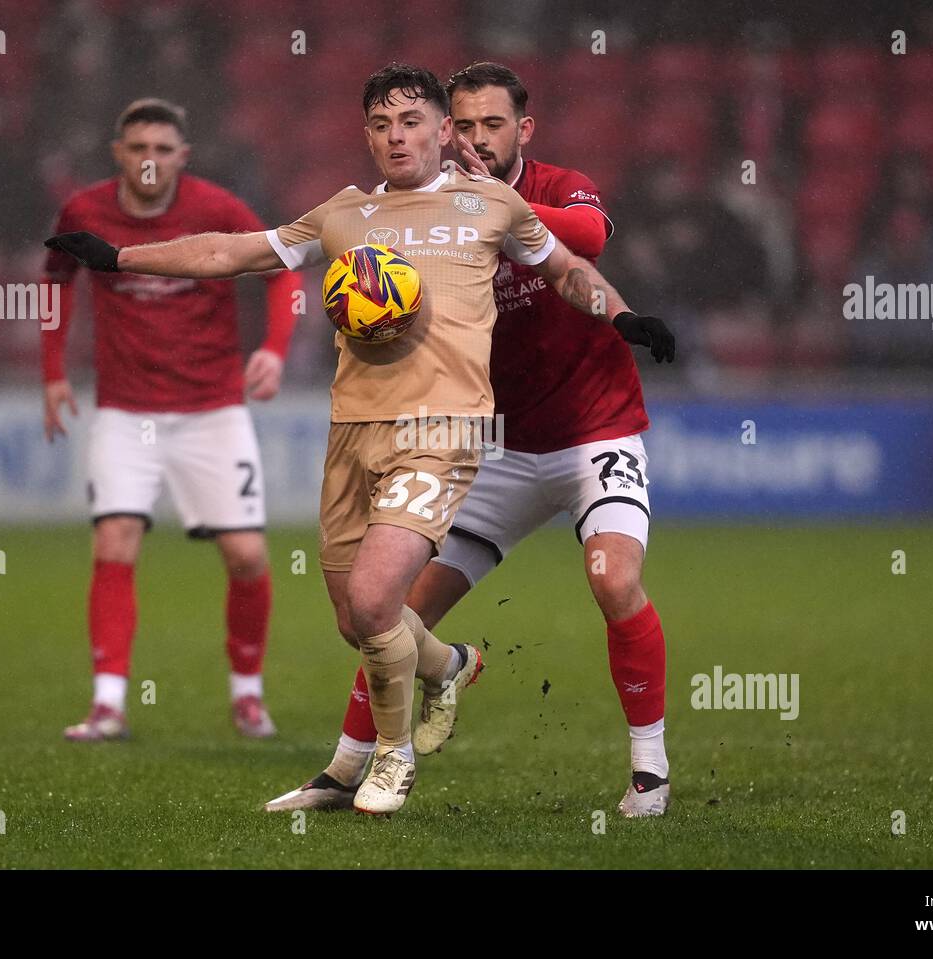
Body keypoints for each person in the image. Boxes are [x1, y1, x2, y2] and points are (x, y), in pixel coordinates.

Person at [45, 65, 673, 814]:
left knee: (379, 599)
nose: (396, 136)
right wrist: (121, 257)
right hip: (355, 433)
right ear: (367, 136)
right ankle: (443, 672)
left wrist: (623, 318)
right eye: (381, 125)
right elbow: (232, 253)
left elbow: (573, 264)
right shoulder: (343, 215)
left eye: (412, 121)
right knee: (361, 618)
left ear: (441, 132)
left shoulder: (492, 204)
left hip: (447, 431)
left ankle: (395, 758)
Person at [265, 62, 672, 818]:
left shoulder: (549, 189)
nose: (481, 137)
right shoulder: (429, 207)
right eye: (469, 124)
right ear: (450, 127)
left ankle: (650, 770)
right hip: (494, 445)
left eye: (496, 124)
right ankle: (349, 764)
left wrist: (497, 203)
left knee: (614, 580)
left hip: (595, 431)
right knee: (386, 604)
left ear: (524, 129)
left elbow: (588, 237)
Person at [42, 98, 301, 742]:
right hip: (126, 412)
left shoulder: (219, 211)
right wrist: (51, 372)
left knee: (245, 555)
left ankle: (247, 695)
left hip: (213, 409)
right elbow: (55, 279)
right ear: (118, 153)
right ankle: (108, 704)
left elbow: (283, 271)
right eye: (138, 148)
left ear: (182, 157)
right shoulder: (84, 211)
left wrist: (274, 349)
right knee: (115, 541)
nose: (149, 159)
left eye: (162, 149)